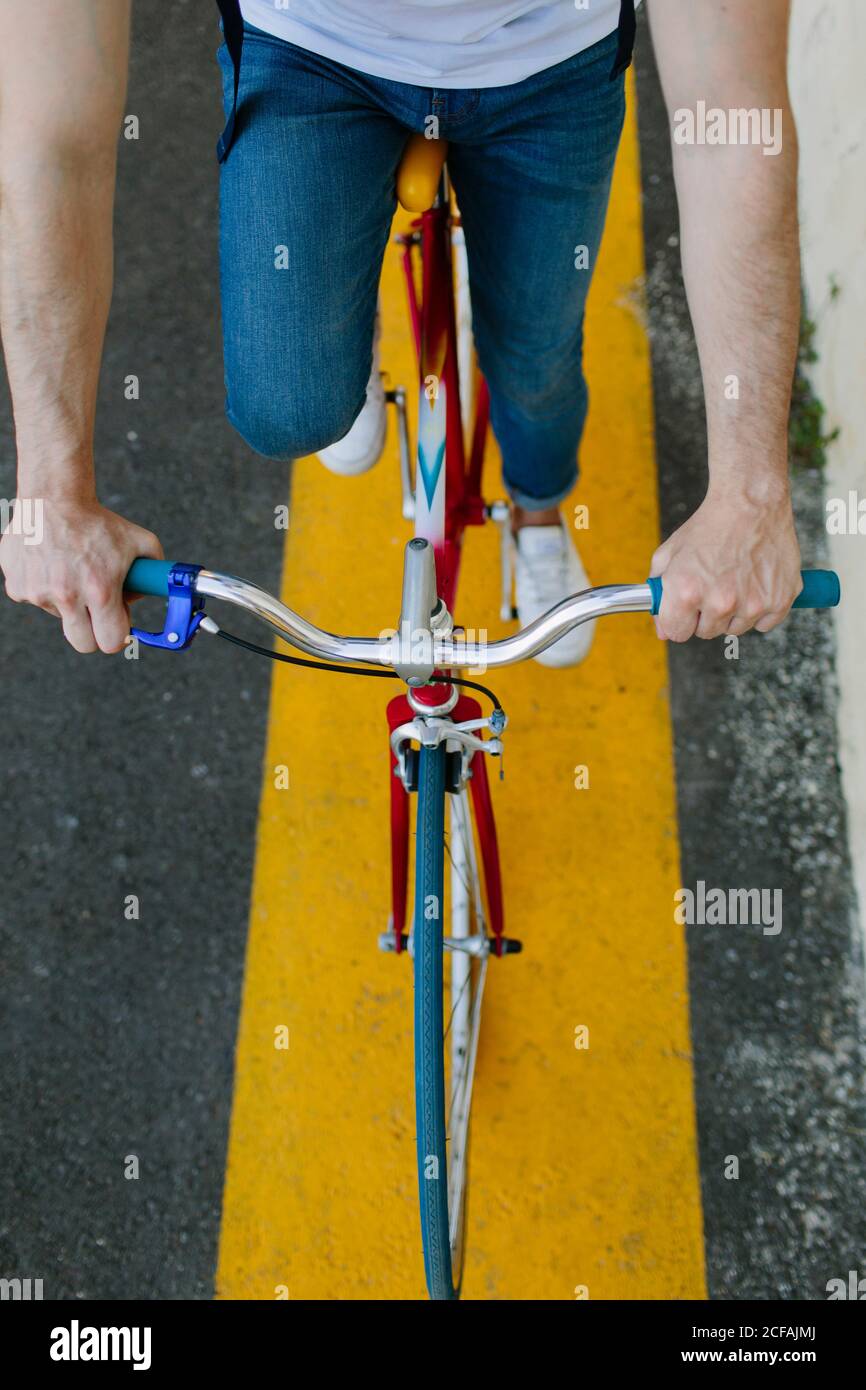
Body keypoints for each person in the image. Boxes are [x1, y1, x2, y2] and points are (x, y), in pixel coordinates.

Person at [0, 0, 804, 661]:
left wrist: (752, 494)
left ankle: (537, 509)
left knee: (535, 359)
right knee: (288, 410)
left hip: (552, 60)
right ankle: (347, 326)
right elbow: (47, 144)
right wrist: (50, 496)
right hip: (311, 48)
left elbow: (733, 122)